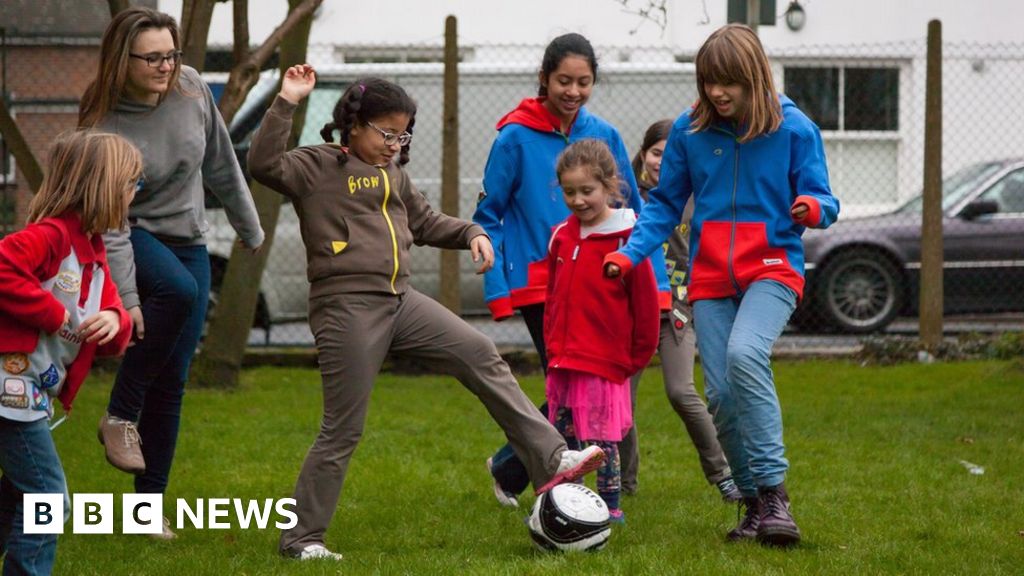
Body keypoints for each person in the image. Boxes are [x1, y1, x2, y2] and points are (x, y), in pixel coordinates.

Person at [247, 64, 606, 561]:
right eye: (386, 132)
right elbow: (263, 163)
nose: (396, 143)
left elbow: (425, 221)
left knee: (480, 351)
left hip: (402, 301)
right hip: (347, 308)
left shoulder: (393, 172)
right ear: (354, 124)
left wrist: (473, 233)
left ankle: (552, 457)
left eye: (403, 133)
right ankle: (302, 539)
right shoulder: (318, 165)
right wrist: (286, 100)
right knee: (343, 428)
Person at [604, 24, 840, 547]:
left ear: (753, 76)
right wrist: (628, 253)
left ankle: (777, 497)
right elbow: (665, 204)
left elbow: (826, 199)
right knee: (720, 396)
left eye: (728, 82)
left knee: (745, 356)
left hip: (773, 268)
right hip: (710, 278)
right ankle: (754, 507)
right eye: (708, 81)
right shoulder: (691, 131)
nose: (716, 92)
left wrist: (812, 207)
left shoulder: (795, 130)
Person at [78, 7, 264, 539]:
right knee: (180, 294)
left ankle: (147, 512)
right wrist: (129, 298)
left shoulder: (188, 88)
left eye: (172, 55)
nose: (166, 66)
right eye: (152, 58)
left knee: (174, 379)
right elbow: (109, 222)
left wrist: (248, 226)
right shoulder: (104, 122)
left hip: (188, 238)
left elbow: (222, 162)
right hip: (127, 230)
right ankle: (118, 415)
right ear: (123, 60)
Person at [473, 32, 668, 508]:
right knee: (571, 384)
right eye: (564, 80)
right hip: (543, 283)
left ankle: (515, 465)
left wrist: (656, 284)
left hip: (603, 282)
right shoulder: (514, 136)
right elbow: (489, 213)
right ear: (544, 79)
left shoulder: (605, 134)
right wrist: (498, 287)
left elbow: (636, 213)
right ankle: (561, 484)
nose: (573, 91)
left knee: (580, 385)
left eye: (584, 82)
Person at [0, 130, 136, 575]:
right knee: (47, 497)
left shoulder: (94, 255)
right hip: (10, 391)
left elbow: (115, 321)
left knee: (18, 494)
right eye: (131, 184)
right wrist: (54, 314)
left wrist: (116, 320)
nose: (136, 194)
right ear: (101, 188)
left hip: (28, 396)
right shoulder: (51, 236)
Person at [622, 119, 740, 502]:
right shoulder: (624, 197)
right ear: (644, 153)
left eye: (670, 154)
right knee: (622, 401)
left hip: (677, 309)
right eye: (657, 153)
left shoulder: (695, 195)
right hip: (632, 312)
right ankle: (624, 485)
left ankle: (723, 474)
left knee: (681, 391)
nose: (662, 162)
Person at [544, 139, 661, 523]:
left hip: (604, 361)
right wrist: (551, 343)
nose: (578, 200)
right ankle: (569, 503)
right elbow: (553, 295)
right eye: (569, 192)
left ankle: (609, 507)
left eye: (587, 191)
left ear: (611, 185)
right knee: (566, 439)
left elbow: (644, 305)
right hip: (565, 358)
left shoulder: (628, 238)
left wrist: (635, 357)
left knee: (601, 440)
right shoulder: (561, 235)